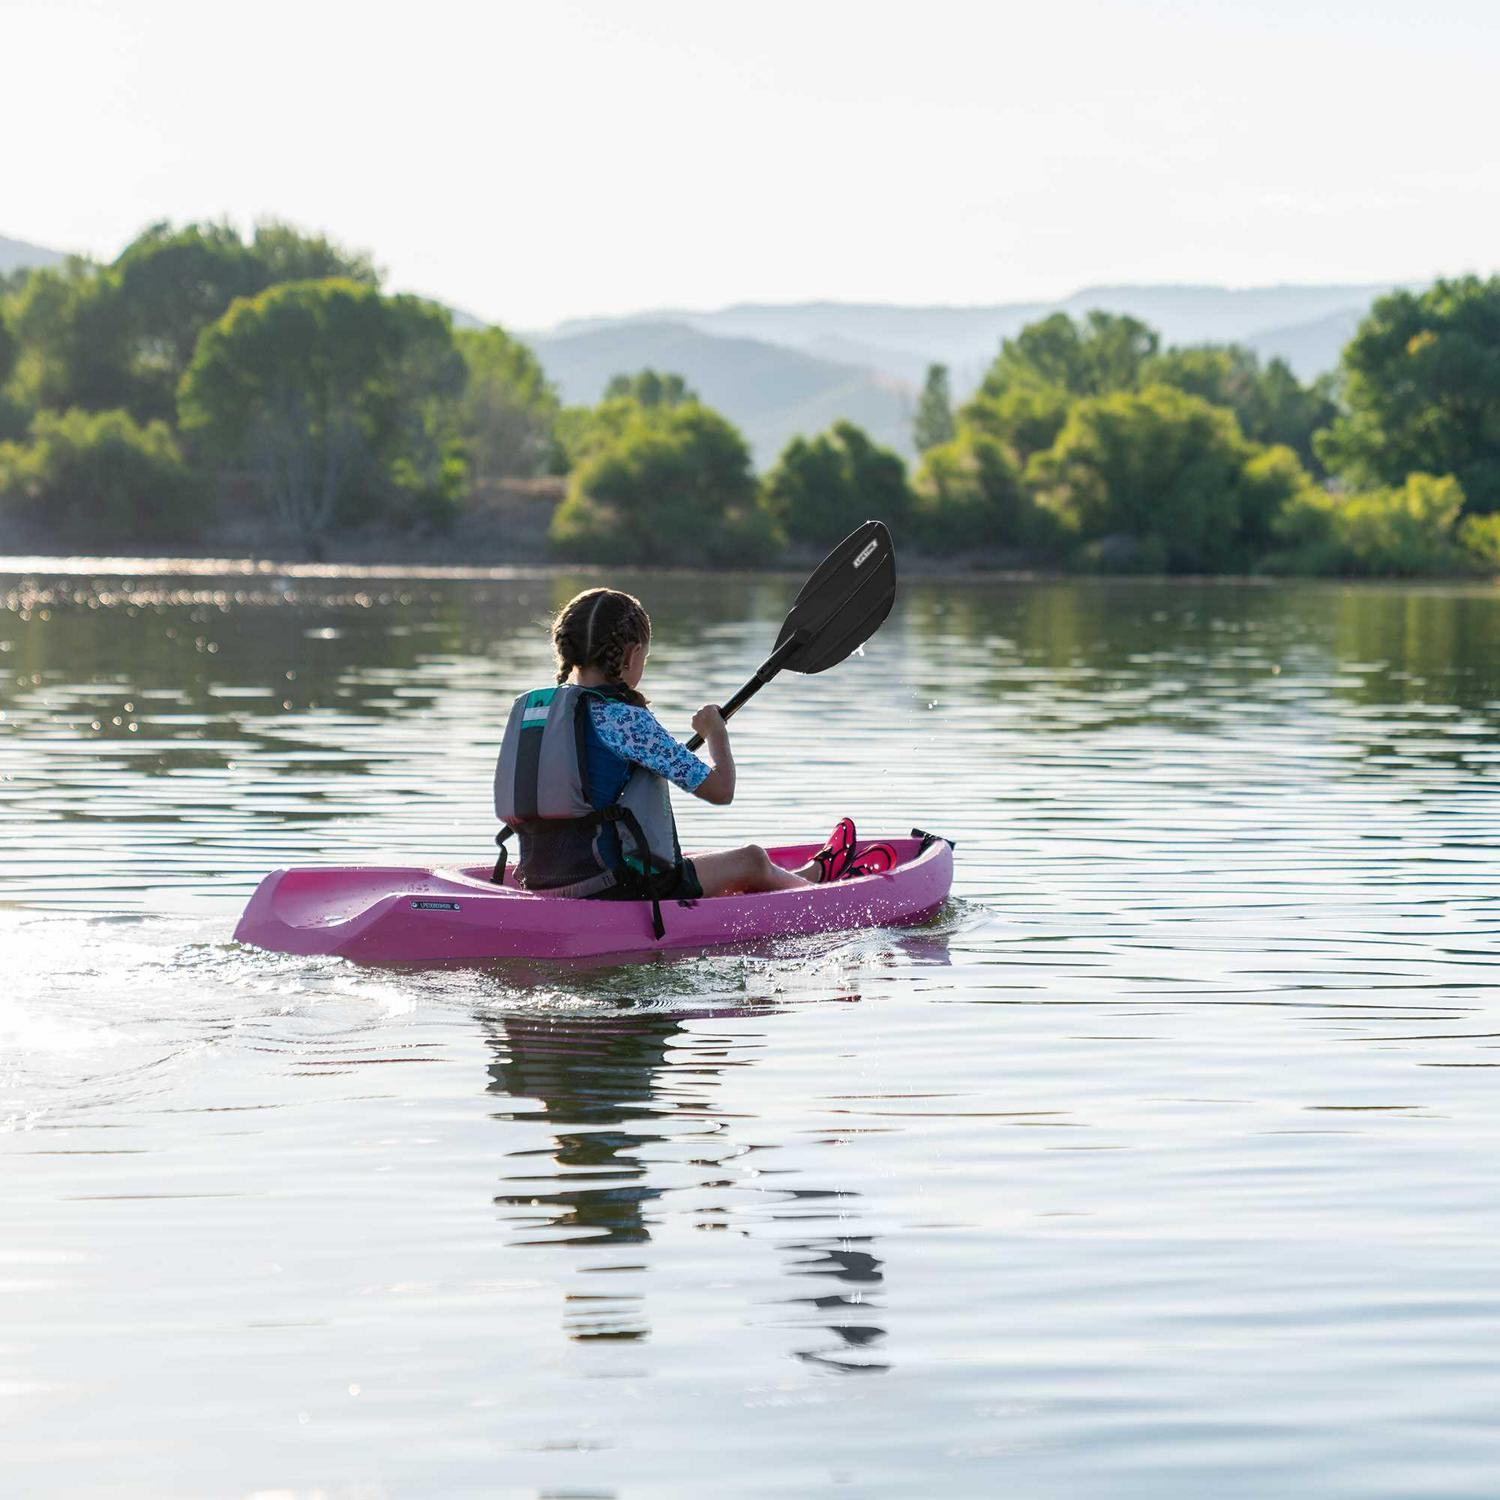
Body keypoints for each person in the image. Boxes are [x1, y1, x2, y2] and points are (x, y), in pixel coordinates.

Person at [492, 588, 894, 912]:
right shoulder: (627, 721)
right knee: (752, 859)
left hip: (541, 880)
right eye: (644, 657)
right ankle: (831, 899)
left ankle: (812, 873)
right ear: (632, 656)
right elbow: (721, 790)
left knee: (733, 866)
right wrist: (715, 733)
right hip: (619, 888)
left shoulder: (535, 711)